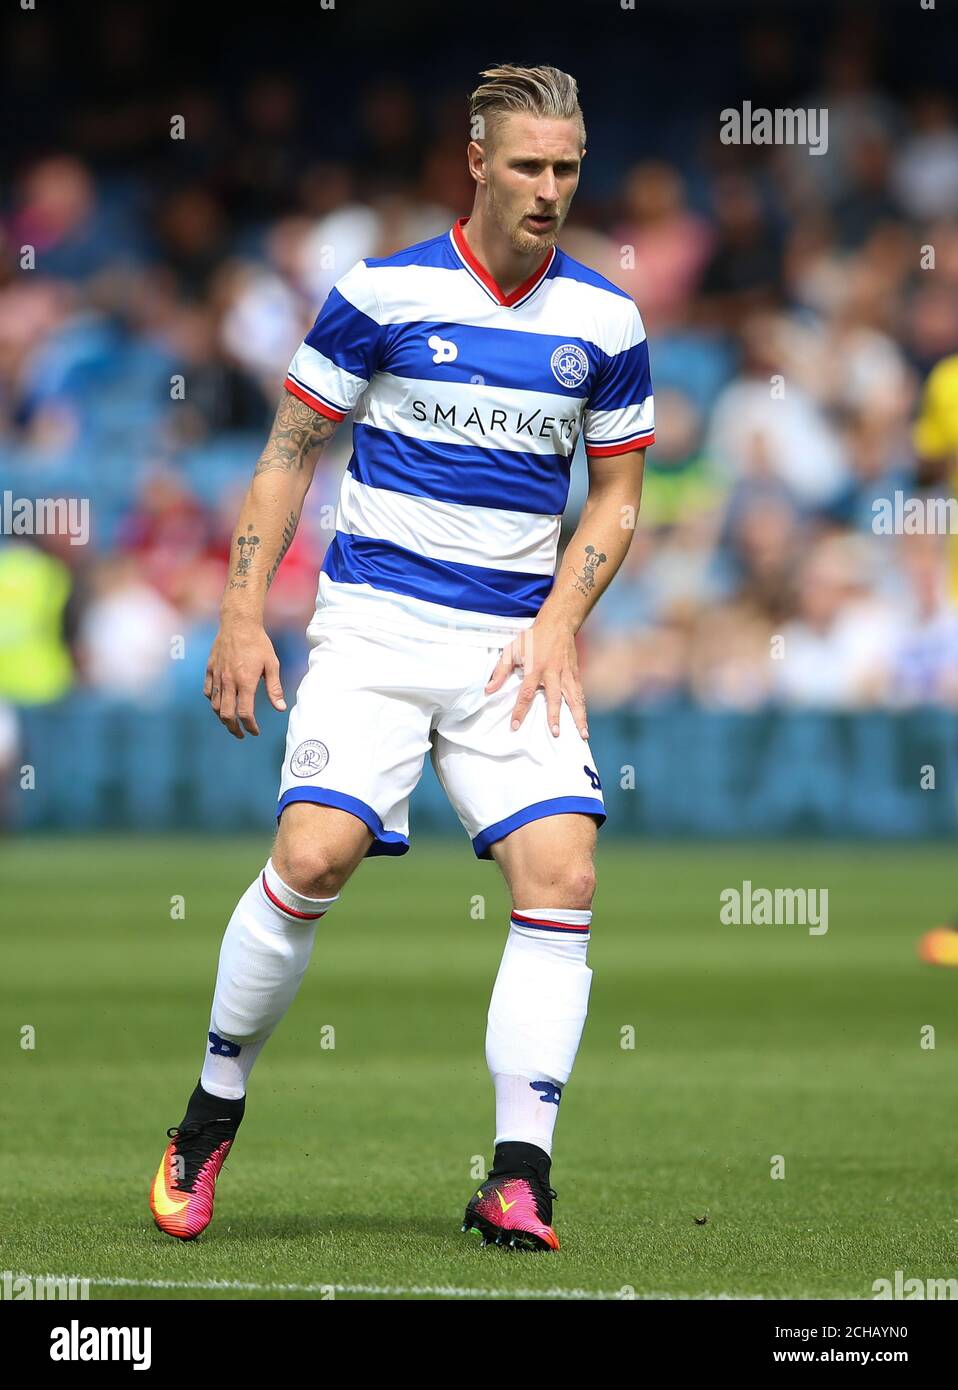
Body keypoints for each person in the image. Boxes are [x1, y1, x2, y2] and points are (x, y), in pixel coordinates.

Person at [149, 63, 654, 1253]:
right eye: (527, 165)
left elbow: (619, 500)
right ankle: (209, 1112)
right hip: (374, 628)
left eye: (567, 168)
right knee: (313, 855)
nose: (547, 189)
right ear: (474, 161)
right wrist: (238, 611)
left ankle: (517, 1176)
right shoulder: (379, 292)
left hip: (512, 647)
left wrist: (559, 622)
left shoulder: (606, 321)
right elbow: (288, 453)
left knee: (564, 876)